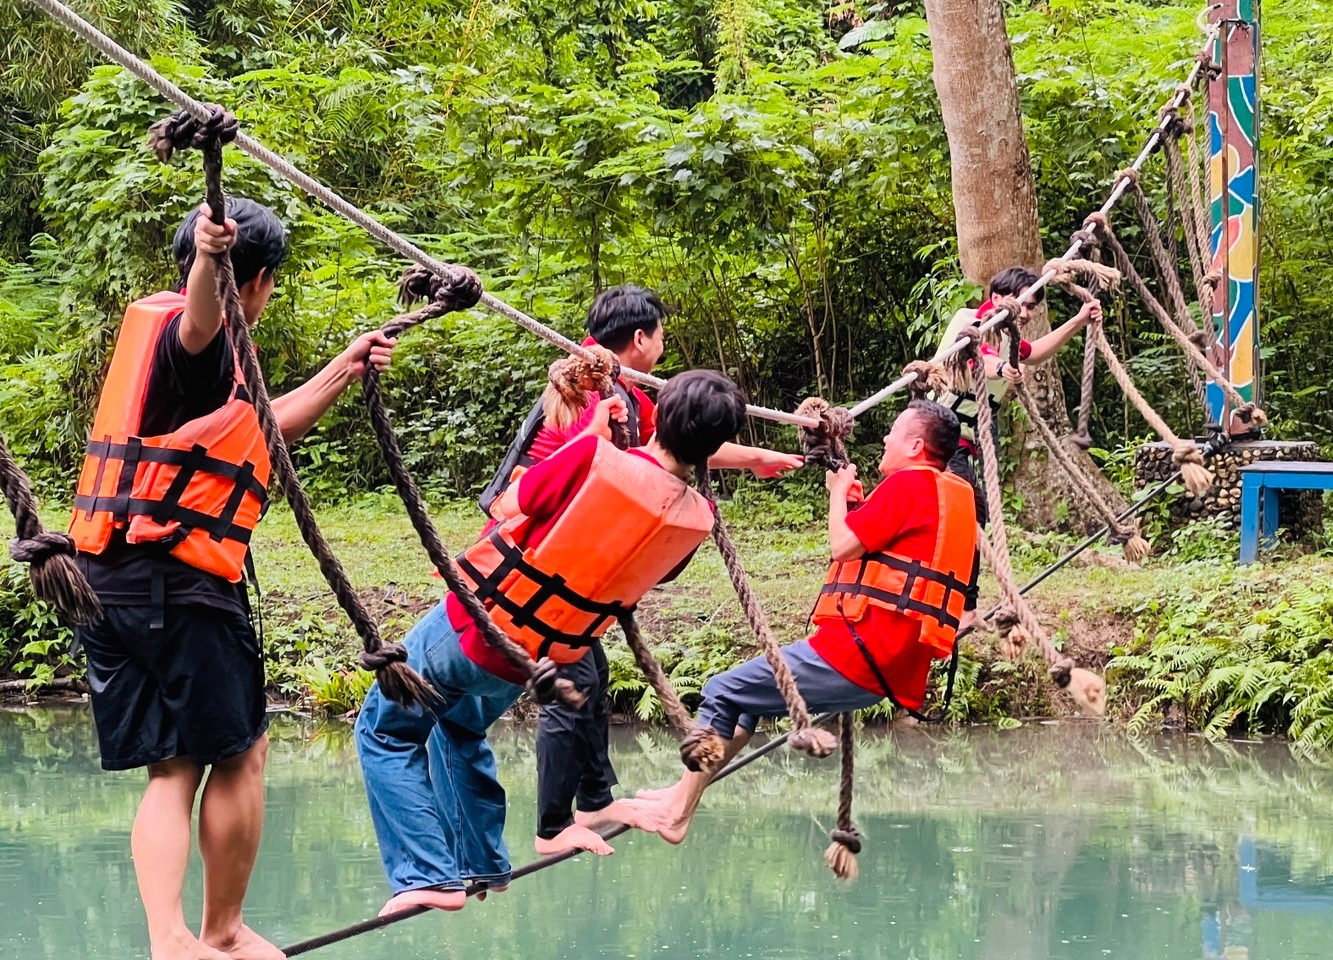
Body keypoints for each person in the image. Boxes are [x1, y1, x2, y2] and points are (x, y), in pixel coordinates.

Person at [69, 199, 401, 960]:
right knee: (242, 751)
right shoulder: (200, 341)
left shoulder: (191, 363)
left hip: (110, 585)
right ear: (256, 283)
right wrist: (210, 265)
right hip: (182, 591)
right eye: (264, 281)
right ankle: (218, 933)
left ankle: (169, 940)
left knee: (172, 767)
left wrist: (343, 369)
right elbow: (198, 323)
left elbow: (261, 426)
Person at [355, 369, 747, 917]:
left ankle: (425, 873)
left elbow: (510, 502)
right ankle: (481, 862)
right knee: (459, 726)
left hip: (479, 623)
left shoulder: (596, 458)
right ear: (714, 446)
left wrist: (591, 437)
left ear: (657, 417)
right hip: (537, 657)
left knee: (383, 732)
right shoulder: (696, 518)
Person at [478, 285, 804, 859]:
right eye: (660, 334)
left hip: (572, 556)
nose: (663, 344)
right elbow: (605, 471)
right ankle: (551, 828)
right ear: (639, 339)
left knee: (592, 676)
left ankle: (596, 799)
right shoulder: (584, 387)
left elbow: (674, 444)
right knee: (572, 684)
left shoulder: (623, 389)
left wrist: (755, 457)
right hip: (535, 553)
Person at [642, 400, 977, 844]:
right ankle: (681, 799)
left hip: (857, 653)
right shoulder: (944, 490)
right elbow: (873, 543)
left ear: (915, 445)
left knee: (720, 691)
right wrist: (849, 499)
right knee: (742, 703)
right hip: (889, 663)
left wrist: (838, 494)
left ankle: (678, 811)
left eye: (893, 432)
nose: (884, 438)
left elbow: (842, 546)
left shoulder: (908, 487)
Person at [935, 265, 1101, 628]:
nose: (1025, 314)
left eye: (1031, 308)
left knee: (970, 514)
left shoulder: (1009, 337)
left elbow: (1035, 351)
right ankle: (957, 604)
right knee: (959, 512)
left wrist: (1078, 320)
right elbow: (973, 355)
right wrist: (1001, 369)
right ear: (997, 299)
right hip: (935, 429)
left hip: (968, 439)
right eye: (1022, 305)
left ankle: (964, 606)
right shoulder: (969, 321)